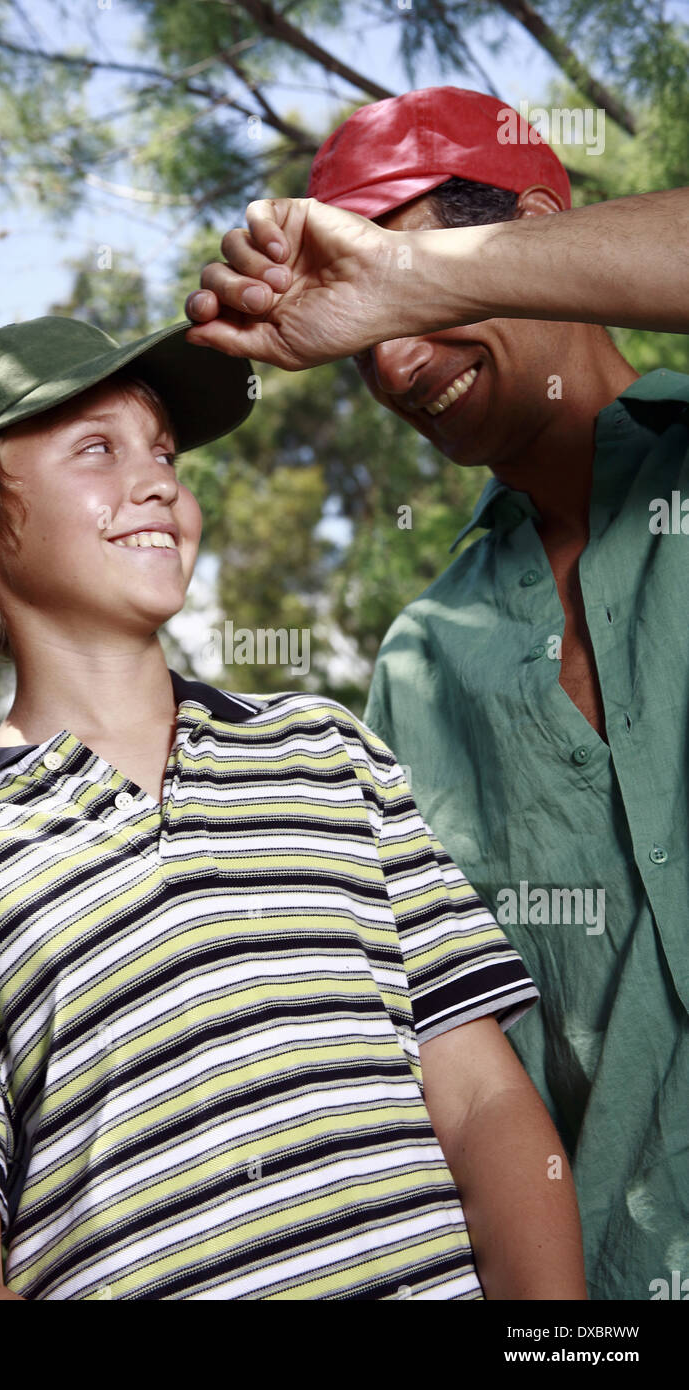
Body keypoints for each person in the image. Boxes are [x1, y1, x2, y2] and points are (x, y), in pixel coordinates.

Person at [0, 314, 585, 1301]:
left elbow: (482, 1100)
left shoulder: (328, 754)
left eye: (164, 454)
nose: (156, 483)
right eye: (96, 449)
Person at [178, 86, 689, 1302]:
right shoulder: (419, 664)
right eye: (361, 337)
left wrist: (418, 274)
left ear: (524, 228)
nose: (395, 361)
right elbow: (473, 1074)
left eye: (415, 293)